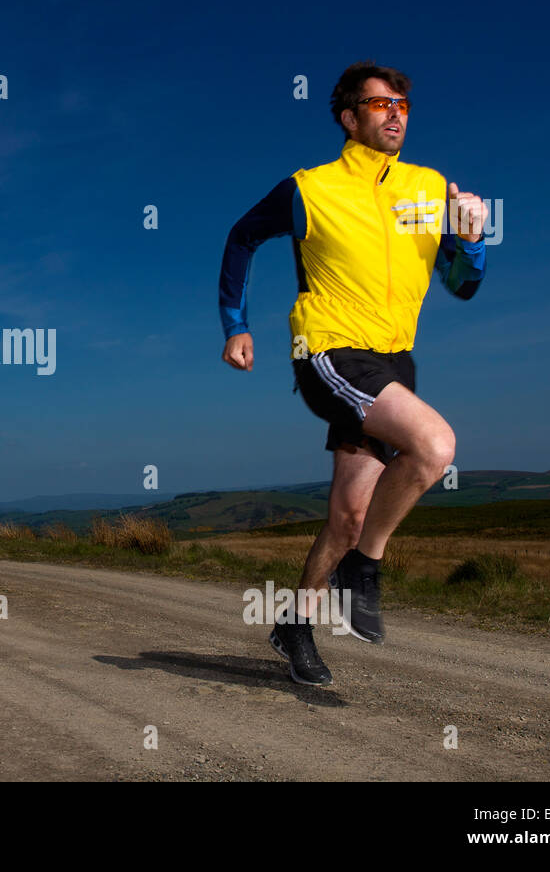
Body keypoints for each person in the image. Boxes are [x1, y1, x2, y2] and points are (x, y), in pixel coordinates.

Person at [218, 60, 488, 685]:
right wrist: (236, 324)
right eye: (379, 103)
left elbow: (462, 285)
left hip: (392, 363)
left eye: (403, 104)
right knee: (434, 446)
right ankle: (365, 567)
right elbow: (241, 236)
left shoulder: (428, 187)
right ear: (349, 117)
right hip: (330, 352)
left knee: (347, 515)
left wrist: (472, 241)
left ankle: (296, 626)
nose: (395, 113)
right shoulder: (309, 189)